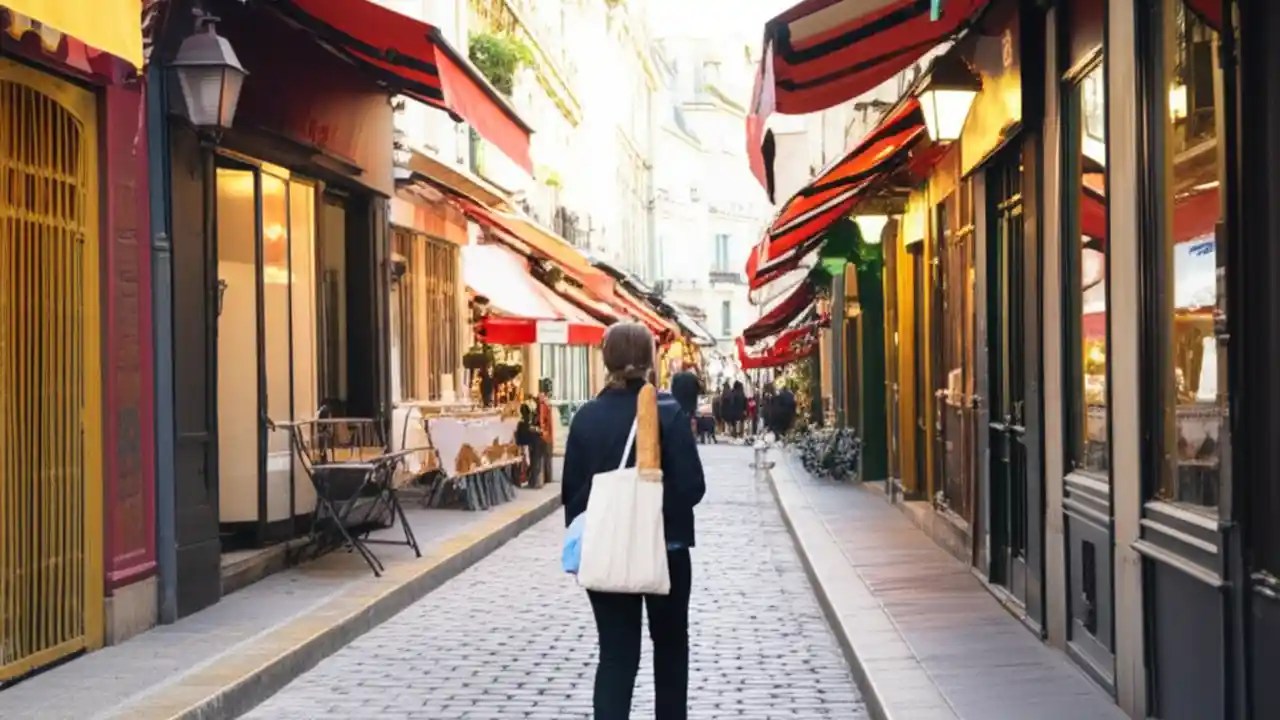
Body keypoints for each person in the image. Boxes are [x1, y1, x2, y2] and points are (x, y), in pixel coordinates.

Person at [562, 322, 706, 720]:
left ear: (605, 360)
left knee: (616, 654)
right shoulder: (668, 412)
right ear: (649, 361)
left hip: (607, 549)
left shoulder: (585, 419)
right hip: (667, 548)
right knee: (671, 647)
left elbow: (572, 496)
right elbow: (693, 487)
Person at [670, 371, 700, 436]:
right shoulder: (693, 377)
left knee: (679, 417)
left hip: (679, 403)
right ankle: (692, 434)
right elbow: (699, 389)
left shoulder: (676, 377)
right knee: (691, 417)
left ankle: (679, 433)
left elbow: (672, 389)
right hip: (691, 402)